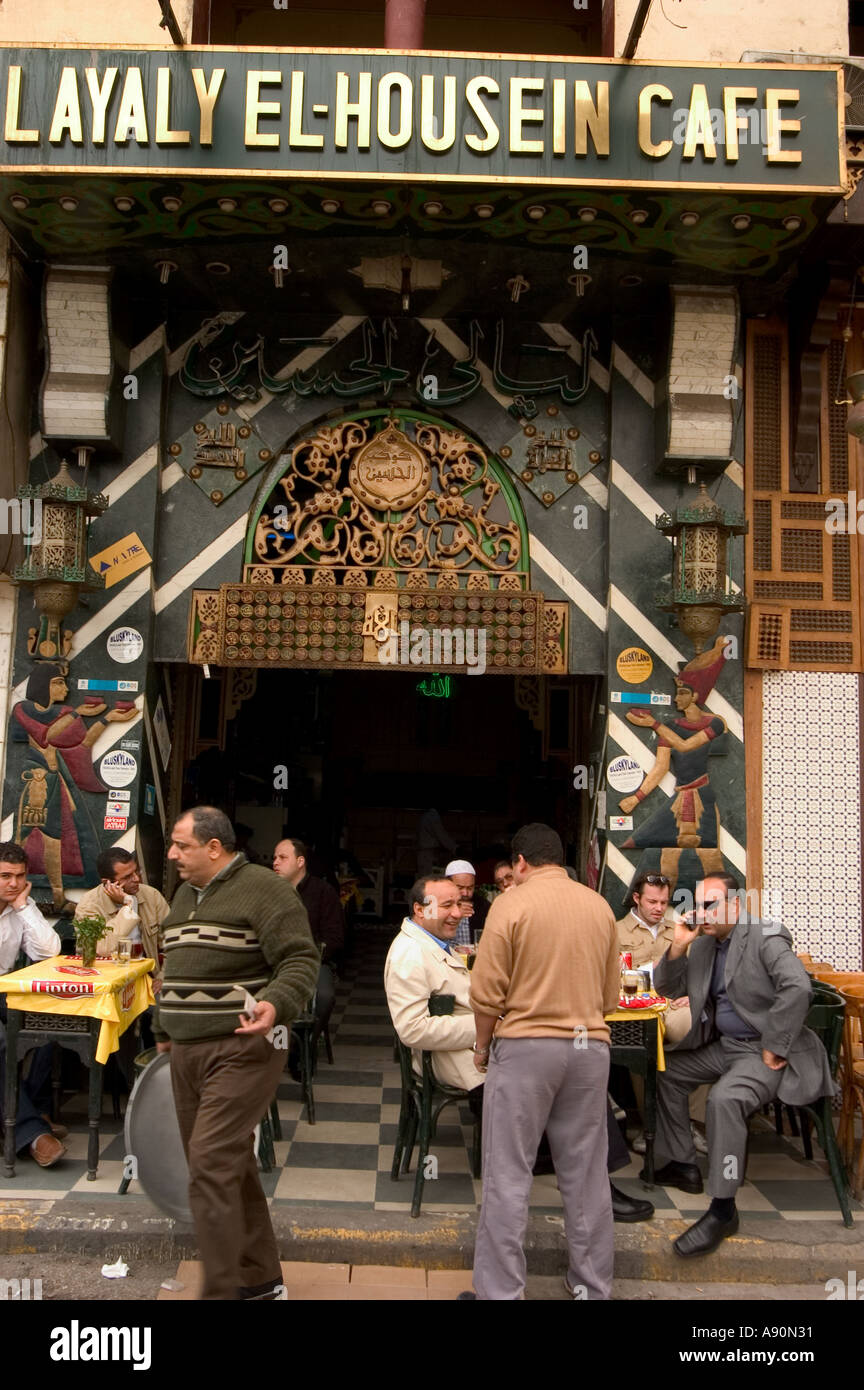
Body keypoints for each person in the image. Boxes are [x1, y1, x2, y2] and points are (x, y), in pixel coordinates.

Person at [385, 873, 653, 1229]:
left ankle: (587, 1179)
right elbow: (412, 1030)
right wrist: (488, 1026)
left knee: (565, 1076)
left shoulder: (434, 944)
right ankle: (585, 1181)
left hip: (482, 1048)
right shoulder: (409, 954)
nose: (457, 913)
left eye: (459, 904)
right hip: (452, 1060)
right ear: (419, 909)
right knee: (561, 1083)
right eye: (446, 905)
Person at [153, 807, 319, 1300]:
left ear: (213, 847)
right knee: (227, 1164)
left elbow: (300, 958)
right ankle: (261, 1282)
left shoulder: (264, 889)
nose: (172, 854)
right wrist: (164, 1024)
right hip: (186, 1050)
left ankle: (220, 1290)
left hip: (244, 1045)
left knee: (209, 1161)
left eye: (181, 845)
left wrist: (275, 1002)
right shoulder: (184, 895)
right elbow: (175, 962)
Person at [462, 823, 623, 1301]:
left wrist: (482, 1047)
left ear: (522, 863)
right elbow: (610, 997)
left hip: (527, 1049)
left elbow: (486, 994)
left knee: (508, 1174)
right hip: (588, 1049)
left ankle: (501, 1292)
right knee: (587, 1175)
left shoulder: (511, 903)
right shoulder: (599, 906)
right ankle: (592, 1287)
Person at [650, 872, 834, 1257]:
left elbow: (797, 987)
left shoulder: (765, 935)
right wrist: (678, 946)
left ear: (736, 903)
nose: (701, 912)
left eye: (710, 904)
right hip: (725, 1046)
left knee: (724, 1099)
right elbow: (667, 990)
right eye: (697, 904)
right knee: (667, 1071)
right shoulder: (702, 945)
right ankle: (682, 1162)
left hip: (764, 1050)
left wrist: (775, 1043)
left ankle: (723, 1207)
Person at [614, 871, 703, 1155]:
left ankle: (689, 1122)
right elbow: (613, 979)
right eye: (652, 901)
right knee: (644, 1041)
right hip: (634, 1010)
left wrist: (694, 995)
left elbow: (695, 971)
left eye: (664, 902)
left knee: (704, 1030)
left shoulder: (676, 929)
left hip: (674, 1006)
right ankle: (651, 1124)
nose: (658, 908)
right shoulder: (616, 931)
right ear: (637, 898)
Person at [0, 841, 66, 1166]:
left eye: (19, 876)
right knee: (0, 1041)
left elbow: (49, 951)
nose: (13, 883)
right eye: (5, 876)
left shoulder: (19, 906)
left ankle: (26, 1106)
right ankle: (32, 1133)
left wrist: (24, 907)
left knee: (51, 1022)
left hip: (4, 990)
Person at [272, 837, 344, 1059]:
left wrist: (311, 955)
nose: (275, 862)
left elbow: (335, 937)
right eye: (274, 857)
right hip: (273, 963)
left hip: (313, 962)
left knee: (323, 997)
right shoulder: (268, 892)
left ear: (300, 861)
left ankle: (303, 1050)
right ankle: (276, 1051)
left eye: (282, 858)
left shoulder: (323, 892)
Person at [77, 848, 169, 986]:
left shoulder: (151, 896)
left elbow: (174, 945)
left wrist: (162, 978)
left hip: (148, 979)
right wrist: (129, 905)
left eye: (136, 871)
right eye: (127, 877)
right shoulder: (89, 905)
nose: (136, 879)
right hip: (106, 982)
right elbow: (103, 949)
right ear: (107, 883)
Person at [445, 858, 489, 942]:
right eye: (460, 887)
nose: (465, 893)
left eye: (470, 888)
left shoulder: (483, 906)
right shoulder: (436, 905)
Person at [416, 808, 456, 878]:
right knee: (427, 880)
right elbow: (441, 835)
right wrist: (455, 848)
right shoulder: (432, 816)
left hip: (427, 853)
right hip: (427, 854)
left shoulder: (429, 815)